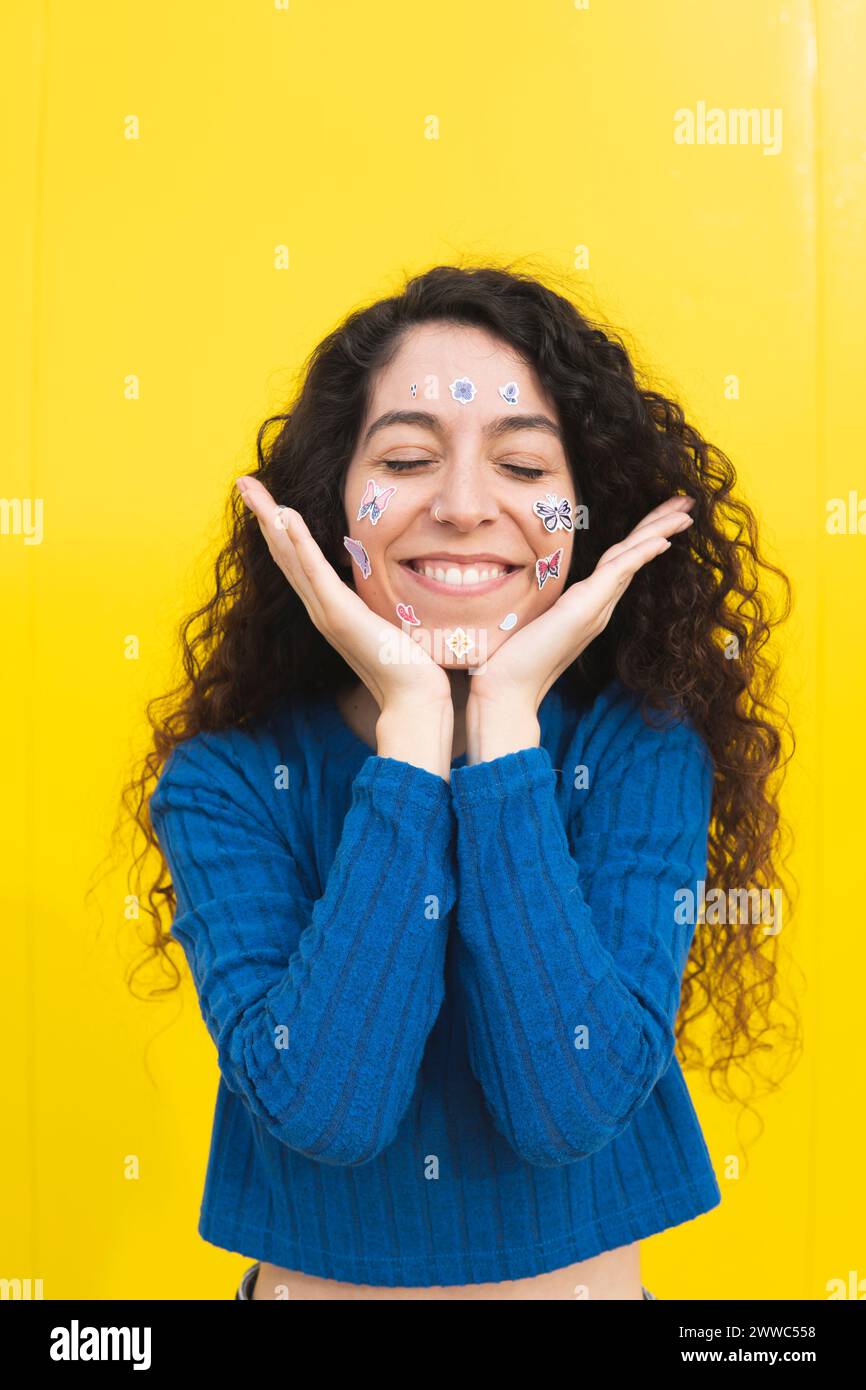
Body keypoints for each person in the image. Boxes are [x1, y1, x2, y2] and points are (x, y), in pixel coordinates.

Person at [133, 264, 793, 1300]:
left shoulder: (639, 754)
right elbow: (325, 1108)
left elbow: (565, 1107)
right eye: (404, 458)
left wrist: (500, 734)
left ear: (586, 519)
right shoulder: (227, 781)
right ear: (326, 508)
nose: (460, 506)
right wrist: (410, 729)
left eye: (524, 467)